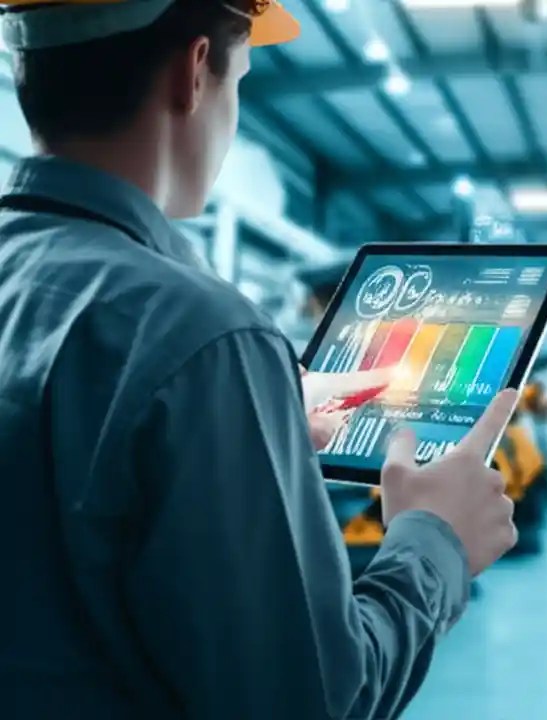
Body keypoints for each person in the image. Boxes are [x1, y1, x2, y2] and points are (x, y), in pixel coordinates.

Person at [0, 2, 517, 718]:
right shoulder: (202, 333)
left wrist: (237, 420)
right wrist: (436, 543)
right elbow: (310, 702)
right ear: (195, 71)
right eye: (239, 80)